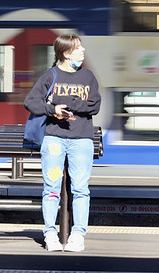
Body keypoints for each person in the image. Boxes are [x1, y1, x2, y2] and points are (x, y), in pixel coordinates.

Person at [24, 33, 101, 252]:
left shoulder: (88, 77)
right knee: (51, 189)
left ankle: (78, 235)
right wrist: (52, 109)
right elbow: (30, 101)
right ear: (66, 54)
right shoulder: (50, 76)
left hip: (82, 141)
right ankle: (50, 234)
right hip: (54, 140)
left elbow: (94, 105)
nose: (83, 50)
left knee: (81, 189)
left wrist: (66, 104)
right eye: (78, 48)